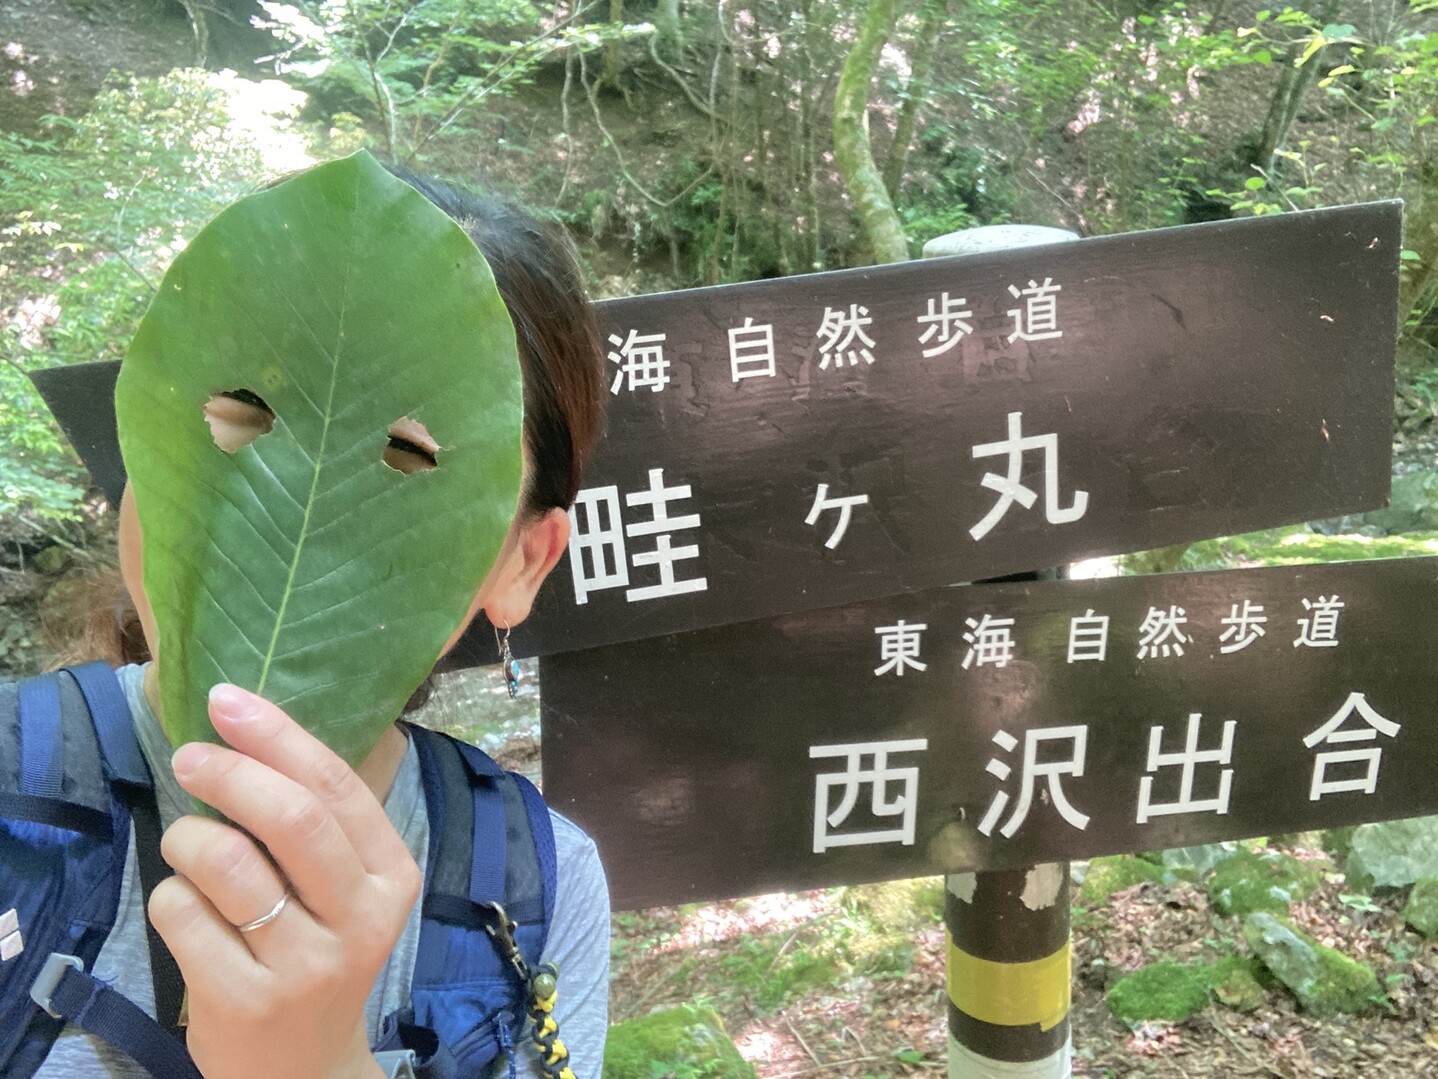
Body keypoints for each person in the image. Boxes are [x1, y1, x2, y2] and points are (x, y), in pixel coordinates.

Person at [17, 169, 612, 1079]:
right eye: (238, 417)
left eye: (404, 458)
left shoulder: (538, 887)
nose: (299, 506)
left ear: (524, 560)